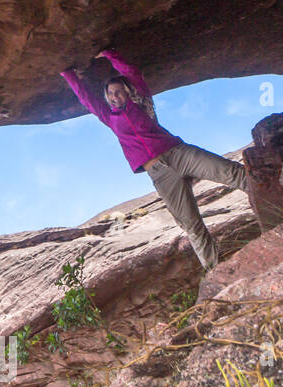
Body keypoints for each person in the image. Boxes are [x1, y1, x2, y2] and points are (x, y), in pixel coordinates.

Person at [60, 48, 248, 270]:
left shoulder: (141, 103)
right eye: (110, 94)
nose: (114, 97)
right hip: (160, 174)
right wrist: (68, 74)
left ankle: (278, 203)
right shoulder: (110, 118)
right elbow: (87, 99)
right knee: (192, 226)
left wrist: (109, 54)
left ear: (128, 92)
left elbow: (132, 73)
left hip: (179, 154)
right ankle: (217, 271)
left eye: (118, 91)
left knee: (234, 173)